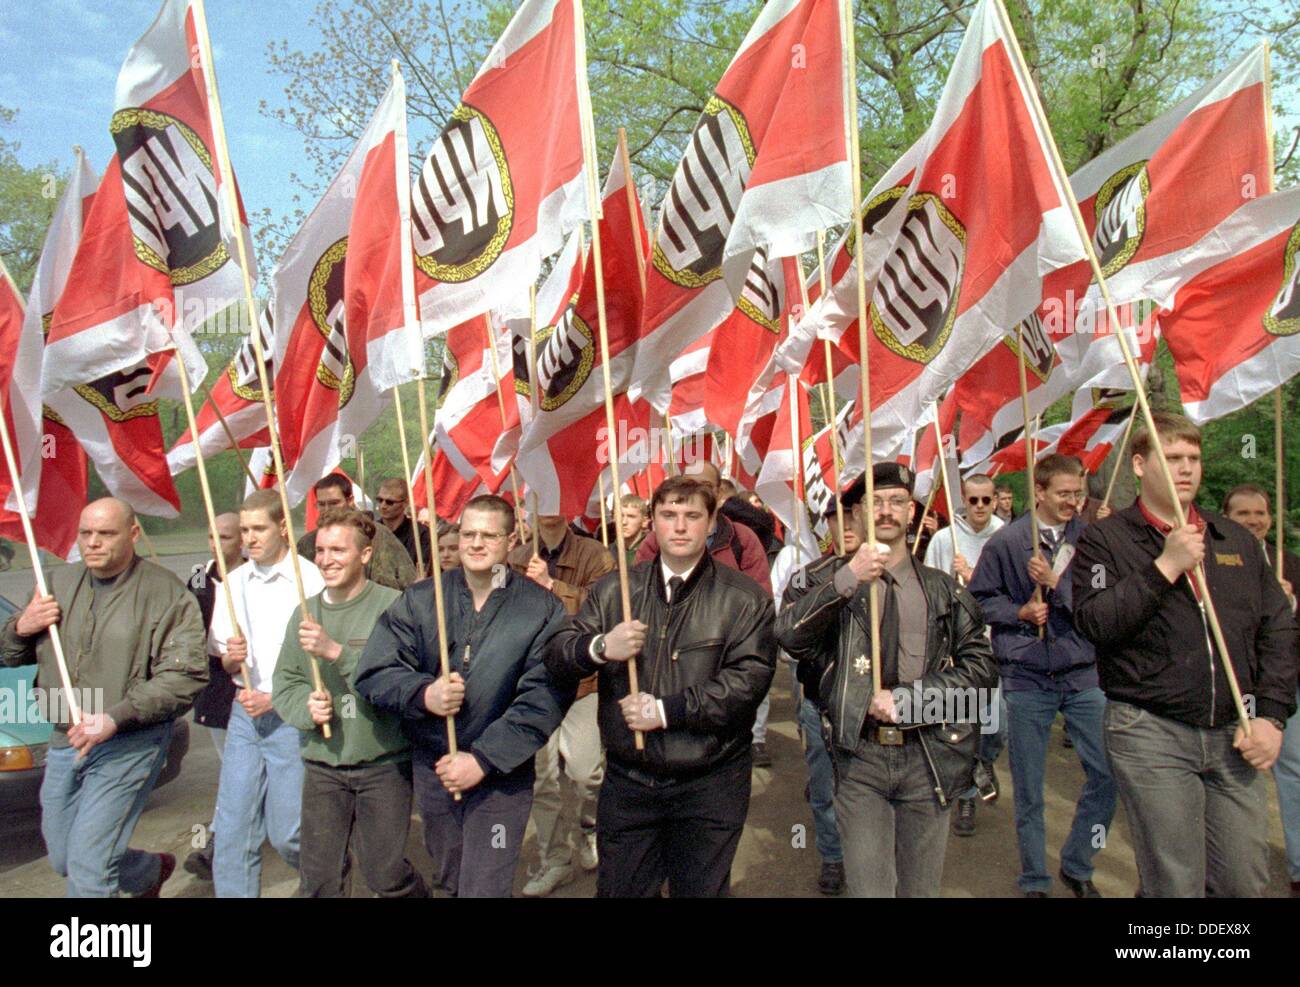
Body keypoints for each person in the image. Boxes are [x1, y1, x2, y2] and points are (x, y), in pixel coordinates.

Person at [1073, 412, 1297, 897]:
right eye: (1172, 458)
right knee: (1175, 879)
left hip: (1234, 730)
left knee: (1244, 879)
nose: (1186, 468)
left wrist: (1272, 716)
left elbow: (1278, 628)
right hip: (1150, 729)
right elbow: (1095, 621)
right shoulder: (1105, 539)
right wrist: (1165, 566)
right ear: (1139, 464)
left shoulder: (1234, 539)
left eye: (1193, 458)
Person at [545, 475, 776, 897]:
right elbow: (558, 652)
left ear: (711, 524)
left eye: (692, 515)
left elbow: (749, 682)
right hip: (631, 781)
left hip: (711, 779)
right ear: (653, 522)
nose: (680, 526)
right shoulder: (616, 589)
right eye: (669, 515)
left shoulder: (744, 599)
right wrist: (600, 646)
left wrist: (667, 710)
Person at [776, 464, 997, 897]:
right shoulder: (819, 579)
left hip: (928, 754)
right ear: (855, 514)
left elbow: (982, 675)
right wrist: (847, 579)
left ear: (912, 512)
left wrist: (912, 701)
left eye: (897, 501)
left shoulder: (945, 591)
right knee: (869, 888)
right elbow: (787, 637)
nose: (886, 511)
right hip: (859, 758)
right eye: (873, 502)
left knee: (921, 890)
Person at [354, 494, 573, 897]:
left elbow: (545, 694)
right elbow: (373, 672)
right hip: (435, 767)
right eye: (468, 533)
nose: (475, 543)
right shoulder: (422, 600)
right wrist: (423, 694)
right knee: (452, 880)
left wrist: (485, 759)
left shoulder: (540, 608)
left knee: (485, 884)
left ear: (511, 541)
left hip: (502, 776)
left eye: (489, 535)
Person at [0, 498, 207, 897]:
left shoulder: (165, 593)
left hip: (128, 740)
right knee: (63, 857)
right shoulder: (56, 585)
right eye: (86, 534)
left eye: (106, 534)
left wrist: (115, 717)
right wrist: (21, 628)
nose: (92, 543)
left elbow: (185, 676)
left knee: (89, 866)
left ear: (132, 534)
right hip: (66, 738)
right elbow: (9, 654)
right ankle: (146, 871)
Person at [969, 454, 1116, 897]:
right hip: (1027, 675)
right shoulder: (1008, 541)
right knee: (1029, 786)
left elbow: (1105, 601)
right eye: (1064, 493)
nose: (1073, 501)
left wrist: (1056, 583)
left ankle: (1078, 862)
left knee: (1108, 774)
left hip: (1082, 671)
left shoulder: (1093, 540)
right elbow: (977, 601)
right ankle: (1035, 876)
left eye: (1078, 493)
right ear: (1041, 492)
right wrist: (1018, 611)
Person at [273, 509, 426, 898]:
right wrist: (305, 708)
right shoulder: (304, 613)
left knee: (384, 874)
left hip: (383, 762)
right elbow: (286, 682)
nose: (326, 559)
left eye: (338, 550)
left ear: (366, 554)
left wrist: (336, 652)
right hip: (323, 764)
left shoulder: (395, 607)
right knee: (320, 880)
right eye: (321, 551)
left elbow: (402, 682)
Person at [210, 489, 326, 898]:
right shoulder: (233, 582)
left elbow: (323, 661)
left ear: (282, 527)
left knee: (288, 832)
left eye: (259, 529)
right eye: (244, 530)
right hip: (245, 714)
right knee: (232, 828)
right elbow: (222, 657)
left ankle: (327, 873)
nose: (249, 538)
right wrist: (230, 657)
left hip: (292, 715)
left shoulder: (309, 578)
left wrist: (276, 699)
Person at [507, 514, 615, 896]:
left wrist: (552, 585)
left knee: (586, 773)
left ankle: (589, 829)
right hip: (533, 683)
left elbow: (604, 609)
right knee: (540, 777)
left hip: (581, 681)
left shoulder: (595, 554)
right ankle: (554, 858)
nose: (549, 509)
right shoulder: (516, 555)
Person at [770, 507, 858, 896]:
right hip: (821, 704)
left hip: (878, 713)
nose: (850, 526)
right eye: (842, 517)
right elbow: (788, 640)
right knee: (824, 789)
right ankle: (832, 855)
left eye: (859, 515)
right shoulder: (808, 578)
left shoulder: (900, 577)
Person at [1222, 482, 1300, 897]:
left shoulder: (1290, 564)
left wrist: (1291, 606)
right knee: (1232, 777)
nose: (1254, 521)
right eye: (1243, 514)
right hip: (1232, 684)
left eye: (1260, 513)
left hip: (1282, 685)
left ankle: (1299, 868)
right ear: (1226, 517)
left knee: (1295, 772)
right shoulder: (1215, 561)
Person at [924, 473, 1006, 835]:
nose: (980, 508)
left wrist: (974, 577)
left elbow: (1009, 591)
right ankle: (967, 797)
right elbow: (929, 584)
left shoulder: (1005, 537)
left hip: (995, 643)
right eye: (973, 500)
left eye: (986, 500)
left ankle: (984, 762)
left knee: (995, 722)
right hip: (955, 646)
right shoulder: (945, 539)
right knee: (962, 725)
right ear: (964, 500)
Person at [184, 512, 244, 881]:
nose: (215, 544)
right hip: (215, 680)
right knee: (232, 765)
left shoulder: (252, 576)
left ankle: (219, 841)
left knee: (239, 767)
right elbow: (188, 621)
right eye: (211, 536)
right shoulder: (199, 575)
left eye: (224, 537)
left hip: (249, 678)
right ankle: (225, 835)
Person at [634, 460, 772, 593]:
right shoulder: (658, 539)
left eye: (705, 486)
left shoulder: (742, 538)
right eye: (689, 486)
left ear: (719, 493)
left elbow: (759, 600)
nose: (698, 492)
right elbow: (640, 591)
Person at [298, 473, 418, 589]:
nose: (327, 509)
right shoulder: (307, 544)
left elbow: (402, 584)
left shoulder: (376, 535)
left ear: (350, 501)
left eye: (334, 503)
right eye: (322, 504)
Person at [375, 477, 433, 576]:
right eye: (380, 500)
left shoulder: (421, 534)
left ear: (405, 503)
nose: (383, 506)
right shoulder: (371, 531)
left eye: (390, 502)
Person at [614, 495, 648, 568]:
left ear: (644, 521)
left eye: (631, 516)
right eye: (620, 516)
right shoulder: (608, 552)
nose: (624, 522)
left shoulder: (652, 551)